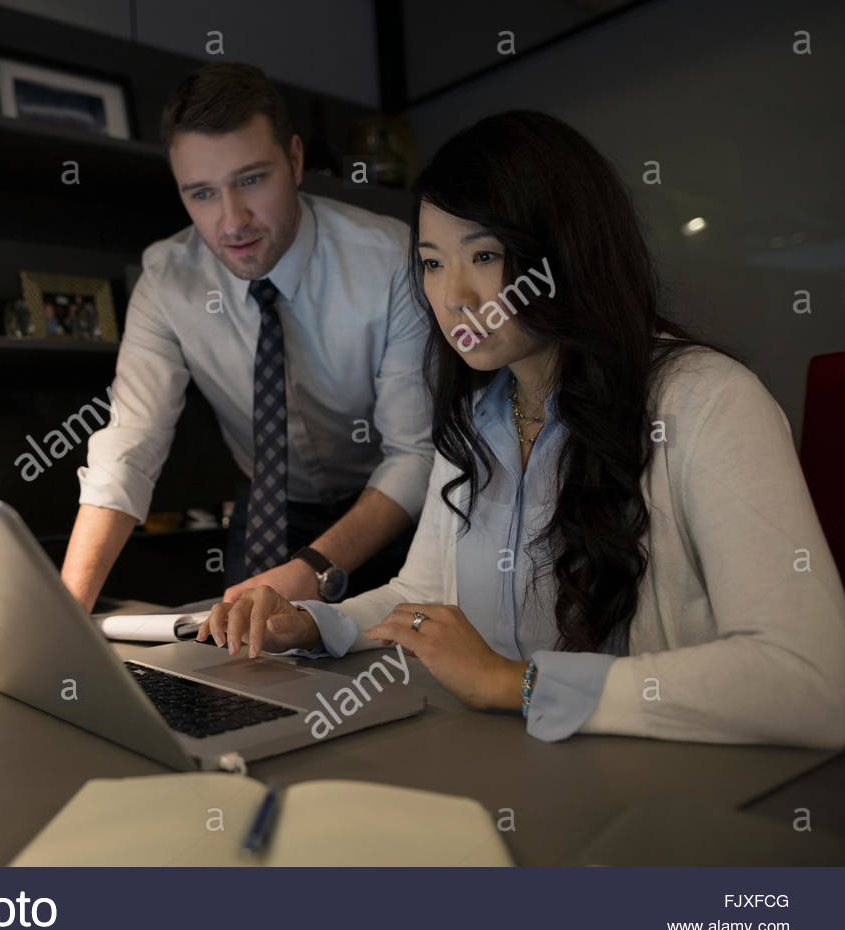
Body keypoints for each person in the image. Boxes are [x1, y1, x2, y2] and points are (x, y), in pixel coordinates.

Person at [196, 110, 845, 748]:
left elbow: (812, 682)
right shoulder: (479, 414)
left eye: (483, 254)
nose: (454, 298)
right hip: (511, 762)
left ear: (562, 253)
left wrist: (516, 684)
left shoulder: (708, 401)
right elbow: (423, 595)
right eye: (430, 262)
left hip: (665, 790)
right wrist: (311, 625)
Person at [61, 63, 435, 612]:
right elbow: (129, 448)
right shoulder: (168, 280)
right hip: (269, 509)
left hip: (390, 510)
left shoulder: (390, 263)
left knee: (399, 676)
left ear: (296, 161)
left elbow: (414, 455)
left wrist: (312, 568)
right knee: (239, 678)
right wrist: (66, 608)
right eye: (202, 194)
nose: (232, 221)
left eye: (252, 180)